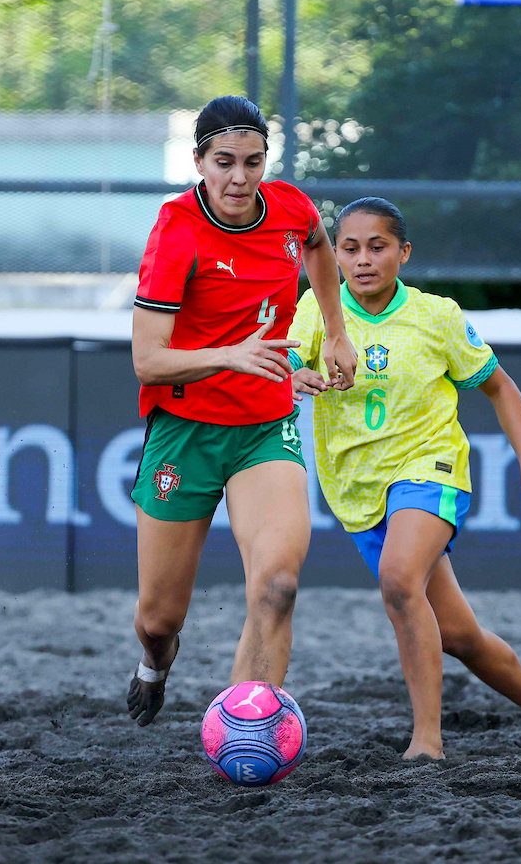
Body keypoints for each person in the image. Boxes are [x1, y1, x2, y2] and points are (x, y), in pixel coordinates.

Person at [288, 197, 521, 759]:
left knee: (399, 581)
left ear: (404, 252)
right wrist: (295, 375)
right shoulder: (314, 313)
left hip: (430, 466)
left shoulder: (436, 316)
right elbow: (281, 369)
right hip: (357, 488)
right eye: (349, 249)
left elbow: (501, 386)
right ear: (332, 257)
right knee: (458, 636)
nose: (363, 260)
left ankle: (427, 740)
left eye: (377, 247)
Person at [125, 95, 359, 726]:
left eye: (253, 162)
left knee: (277, 585)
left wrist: (336, 332)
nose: (239, 177)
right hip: (185, 431)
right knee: (158, 617)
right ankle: (155, 662)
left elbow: (317, 248)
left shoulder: (288, 207)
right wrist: (231, 355)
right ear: (199, 160)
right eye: (224, 161)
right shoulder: (176, 230)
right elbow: (147, 361)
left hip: (265, 426)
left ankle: (246, 730)